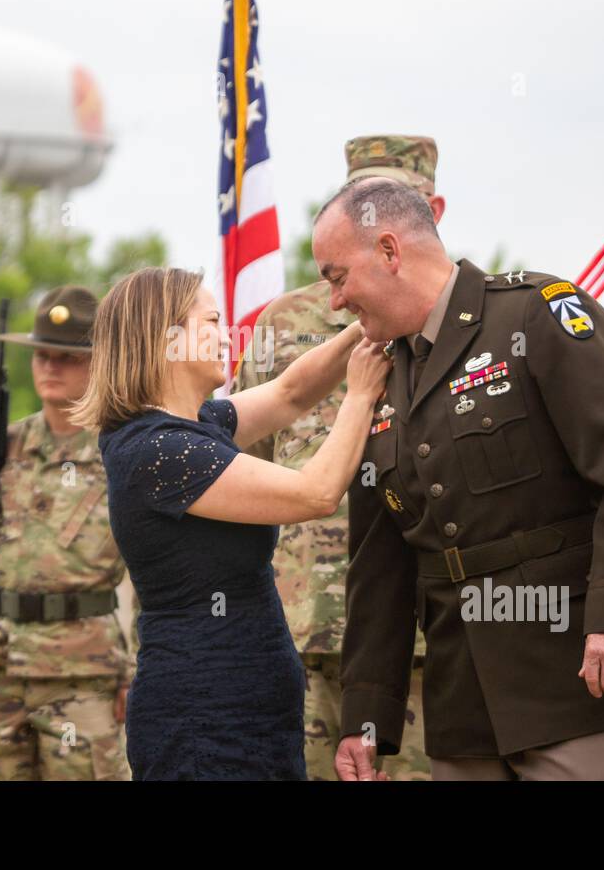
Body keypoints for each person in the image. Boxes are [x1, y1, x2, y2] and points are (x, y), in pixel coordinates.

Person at [315, 176, 604, 781]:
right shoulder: (375, 382)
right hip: (464, 705)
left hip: (577, 679)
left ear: (388, 251)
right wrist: (367, 715)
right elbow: (379, 565)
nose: (333, 301)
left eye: (336, 276)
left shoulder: (537, 314)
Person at [70, 267, 391, 779]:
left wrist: (369, 322)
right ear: (166, 338)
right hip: (205, 720)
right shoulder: (160, 450)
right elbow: (316, 492)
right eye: (213, 320)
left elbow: (289, 393)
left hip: (247, 712)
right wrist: (358, 396)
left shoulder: (196, 425)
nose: (227, 334)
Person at [230, 134, 437, 781]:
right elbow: (242, 471)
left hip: (422, 640)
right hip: (302, 627)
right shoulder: (283, 324)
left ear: (429, 211)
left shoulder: (458, 323)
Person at [0, 286, 136, 780]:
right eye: (42, 355)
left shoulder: (124, 453)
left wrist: (141, 671)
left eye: (67, 357)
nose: (50, 367)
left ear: (99, 363)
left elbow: (156, 576)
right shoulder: (0, 450)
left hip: (84, 676)